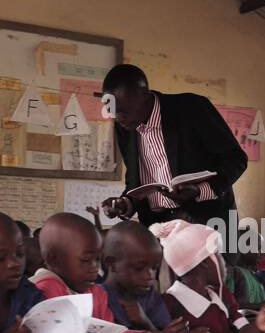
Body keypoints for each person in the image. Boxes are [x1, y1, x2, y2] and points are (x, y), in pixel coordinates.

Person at [99, 64, 247, 235]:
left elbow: (236, 159)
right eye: (114, 112)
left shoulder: (192, 108)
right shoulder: (126, 127)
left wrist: (200, 190)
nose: (119, 118)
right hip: (158, 230)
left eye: (124, 111)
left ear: (144, 96)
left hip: (205, 226)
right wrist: (126, 202)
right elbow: (137, 181)